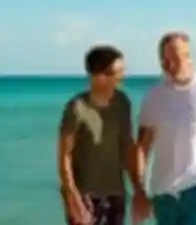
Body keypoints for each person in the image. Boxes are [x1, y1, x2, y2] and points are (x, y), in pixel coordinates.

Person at [135, 31, 196, 224]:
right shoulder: (154, 96)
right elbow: (142, 147)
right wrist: (139, 190)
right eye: (164, 60)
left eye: (175, 58)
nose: (169, 66)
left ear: (189, 57)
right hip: (163, 194)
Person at [57, 45, 150, 225]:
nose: (121, 77)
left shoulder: (122, 103)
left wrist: (138, 188)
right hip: (85, 196)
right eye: (117, 72)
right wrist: (72, 195)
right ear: (98, 75)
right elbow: (64, 155)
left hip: (116, 193)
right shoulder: (77, 108)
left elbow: (126, 146)